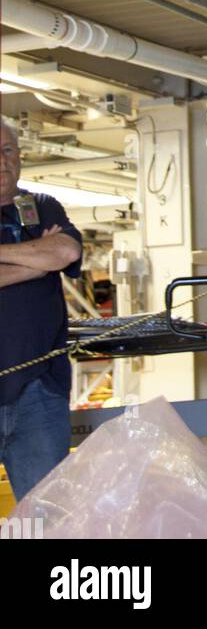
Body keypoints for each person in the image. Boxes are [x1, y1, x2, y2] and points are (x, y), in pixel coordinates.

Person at [0, 118, 83, 499]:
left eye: (8, 151)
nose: (3, 163)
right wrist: (36, 264)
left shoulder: (41, 207)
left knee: (47, 516)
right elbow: (52, 258)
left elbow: (65, 252)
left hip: (39, 391)